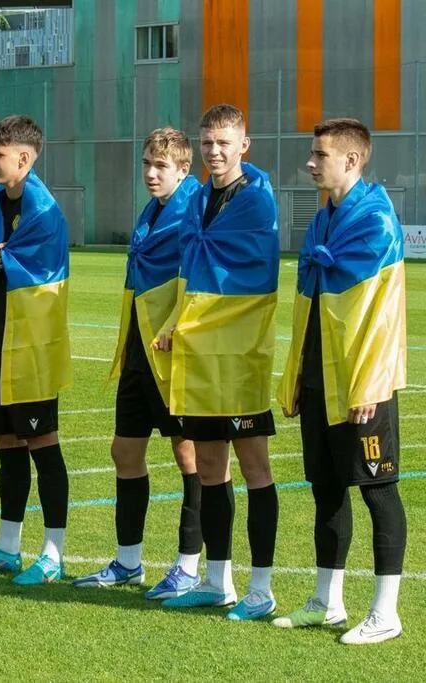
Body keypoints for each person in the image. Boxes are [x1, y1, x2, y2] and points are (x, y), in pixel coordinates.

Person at [273, 118, 407, 645]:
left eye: (319, 155)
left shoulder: (375, 220)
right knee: (326, 490)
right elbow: (308, 307)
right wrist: (297, 378)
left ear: (351, 161)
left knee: (378, 492)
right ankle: (326, 602)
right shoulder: (322, 219)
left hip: (360, 386)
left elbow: (382, 314)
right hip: (318, 381)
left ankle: (386, 613)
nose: (310, 162)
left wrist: (369, 384)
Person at [155, 104, 280, 620]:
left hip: (240, 357)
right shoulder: (199, 199)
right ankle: (217, 580)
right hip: (202, 356)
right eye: (207, 142)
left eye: (224, 142)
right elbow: (193, 272)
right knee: (210, 467)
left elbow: (250, 281)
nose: (214, 152)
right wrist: (173, 324)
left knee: (255, 469)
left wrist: (193, 323)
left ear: (243, 145)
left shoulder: (258, 200)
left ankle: (263, 587)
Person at [74, 128, 202, 597]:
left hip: (174, 352)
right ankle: (128, 562)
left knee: (190, 455)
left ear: (183, 170)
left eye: (160, 166)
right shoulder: (154, 209)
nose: (150, 173)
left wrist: (174, 326)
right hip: (138, 349)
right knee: (124, 453)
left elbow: (199, 277)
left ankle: (188, 566)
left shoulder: (194, 208)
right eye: (147, 163)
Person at [0, 115, 72, 585]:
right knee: (6, 445)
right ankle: (7, 547)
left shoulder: (45, 211)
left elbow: (42, 268)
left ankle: (53, 552)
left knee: (42, 444)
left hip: (30, 346)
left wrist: (2, 260)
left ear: (24, 158)